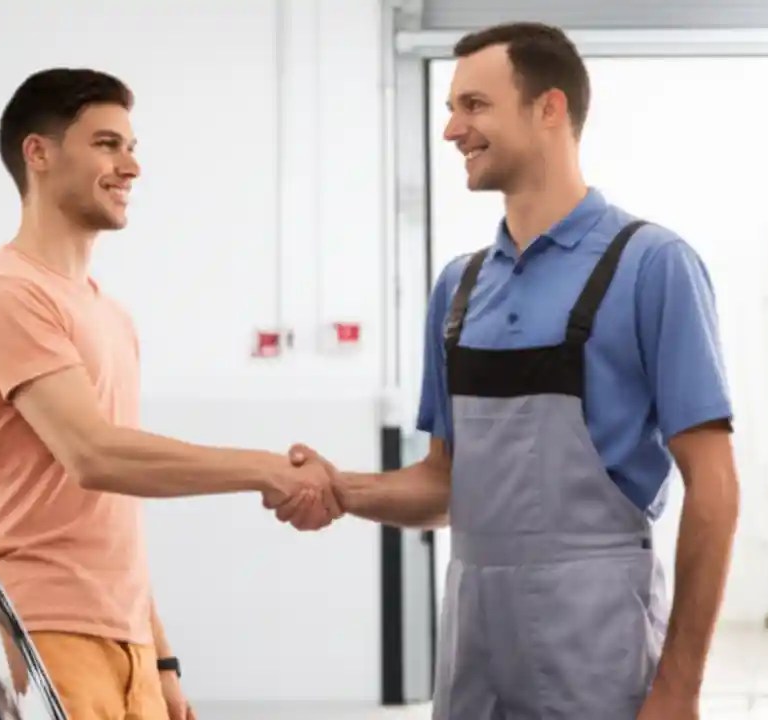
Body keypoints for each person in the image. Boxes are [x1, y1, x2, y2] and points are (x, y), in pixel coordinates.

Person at [274, 22, 740, 720]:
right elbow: (443, 485)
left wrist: (679, 688)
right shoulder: (457, 289)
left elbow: (716, 487)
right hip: (473, 645)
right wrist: (341, 489)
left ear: (549, 109)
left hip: (598, 643)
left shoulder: (652, 266)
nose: (452, 130)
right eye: (450, 109)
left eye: (474, 105)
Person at [0, 68, 340, 720]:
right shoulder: (9, 294)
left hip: (122, 642)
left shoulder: (109, 314)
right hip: (43, 626)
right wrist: (265, 469)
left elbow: (109, 508)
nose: (131, 166)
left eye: (130, 146)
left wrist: (158, 658)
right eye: (106, 144)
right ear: (37, 154)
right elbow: (96, 456)